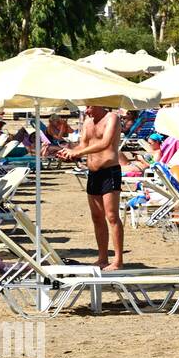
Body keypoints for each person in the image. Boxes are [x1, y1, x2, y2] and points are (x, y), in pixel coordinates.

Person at [56, 106, 125, 269]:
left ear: (99, 103)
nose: (87, 111)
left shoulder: (112, 118)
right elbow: (83, 145)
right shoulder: (87, 122)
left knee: (112, 216)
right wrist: (70, 152)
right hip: (93, 173)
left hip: (110, 170)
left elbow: (105, 143)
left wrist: (78, 153)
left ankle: (118, 260)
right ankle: (102, 258)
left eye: (89, 107)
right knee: (97, 217)